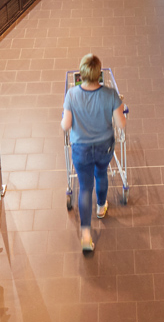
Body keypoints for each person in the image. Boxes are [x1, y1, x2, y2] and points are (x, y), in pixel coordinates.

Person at [61, 54, 126, 253]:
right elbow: (121, 124)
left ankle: (86, 236)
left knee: (85, 187)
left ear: (81, 74)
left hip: (81, 150)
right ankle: (100, 207)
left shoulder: (72, 95)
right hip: (104, 146)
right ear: (99, 74)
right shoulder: (111, 95)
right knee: (101, 174)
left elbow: (66, 125)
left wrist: (62, 118)